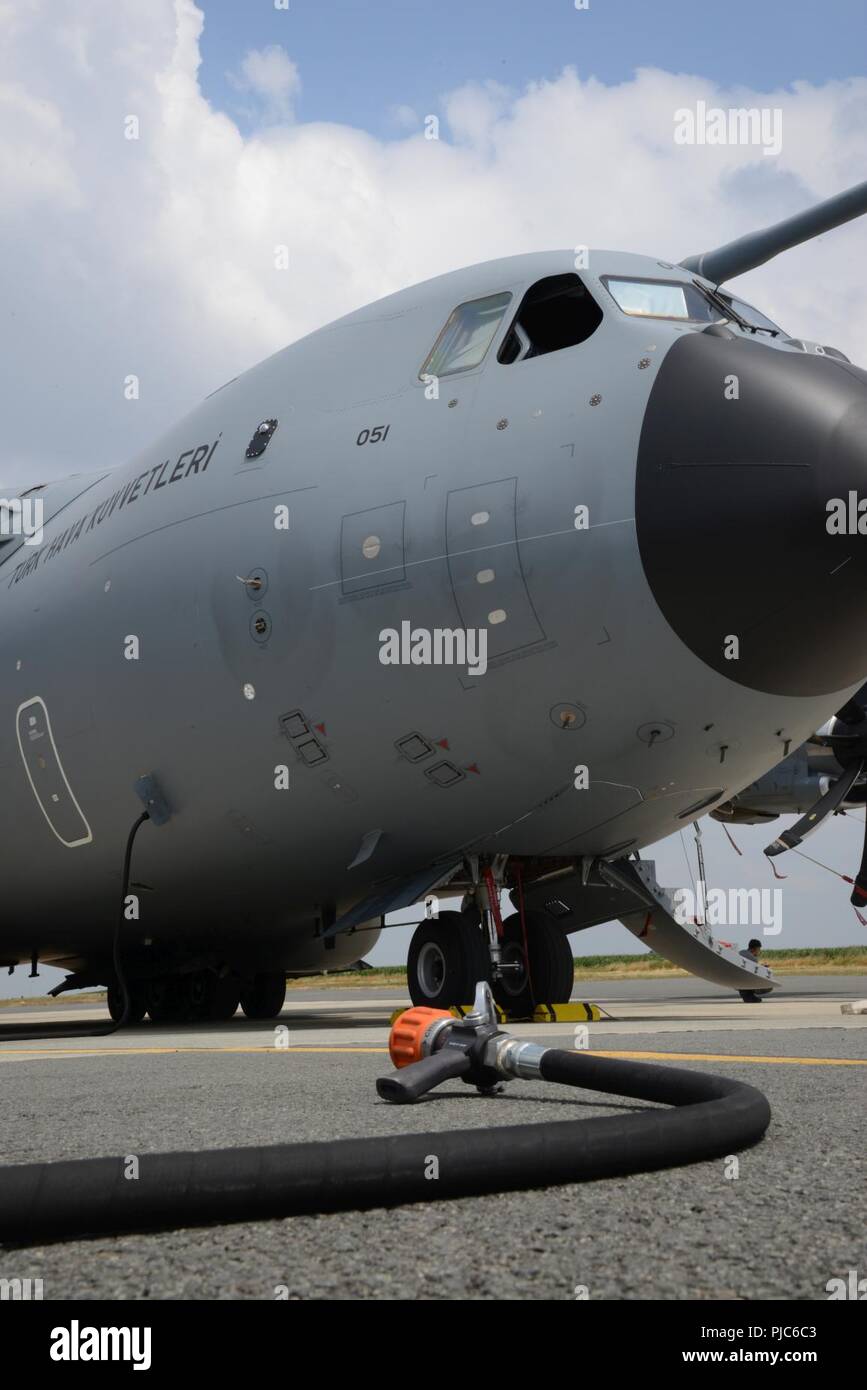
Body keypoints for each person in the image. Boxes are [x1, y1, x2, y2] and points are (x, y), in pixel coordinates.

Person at [738, 938, 771, 1002]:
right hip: (745, 982)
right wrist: (764, 968)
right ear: (755, 948)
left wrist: (760, 966)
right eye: (758, 949)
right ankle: (748, 995)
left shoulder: (741, 952)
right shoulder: (753, 959)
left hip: (736, 981)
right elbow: (754, 973)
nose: (759, 951)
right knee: (769, 987)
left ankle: (747, 994)